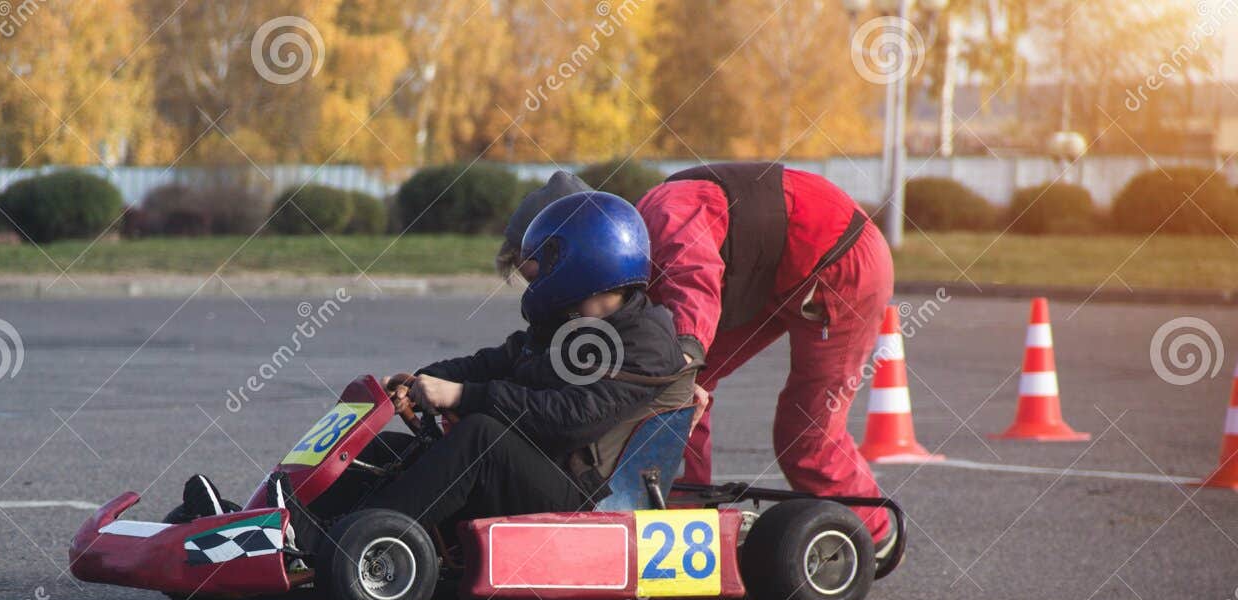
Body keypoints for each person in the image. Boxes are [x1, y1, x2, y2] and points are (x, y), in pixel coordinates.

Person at [498, 166, 897, 555]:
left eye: (542, 275)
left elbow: (694, 282)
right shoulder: (623, 255)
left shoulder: (666, 213)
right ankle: (682, 518)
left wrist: (687, 358)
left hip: (840, 261)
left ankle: (871, 537)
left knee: (804, 434)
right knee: (673, 395)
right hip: (770, 275)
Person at [360, 190, 696, 529]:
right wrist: (420, 381)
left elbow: (571, 418)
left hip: (587, 496)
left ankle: (366, 543)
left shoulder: (645, 342)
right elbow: (498, 362)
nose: (540, 279)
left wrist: (464, 395)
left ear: (587, 262)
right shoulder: (577, 322)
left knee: (480, 438)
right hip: (542, 464)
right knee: (387, 451)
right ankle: (322, 531)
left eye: (548, 267)